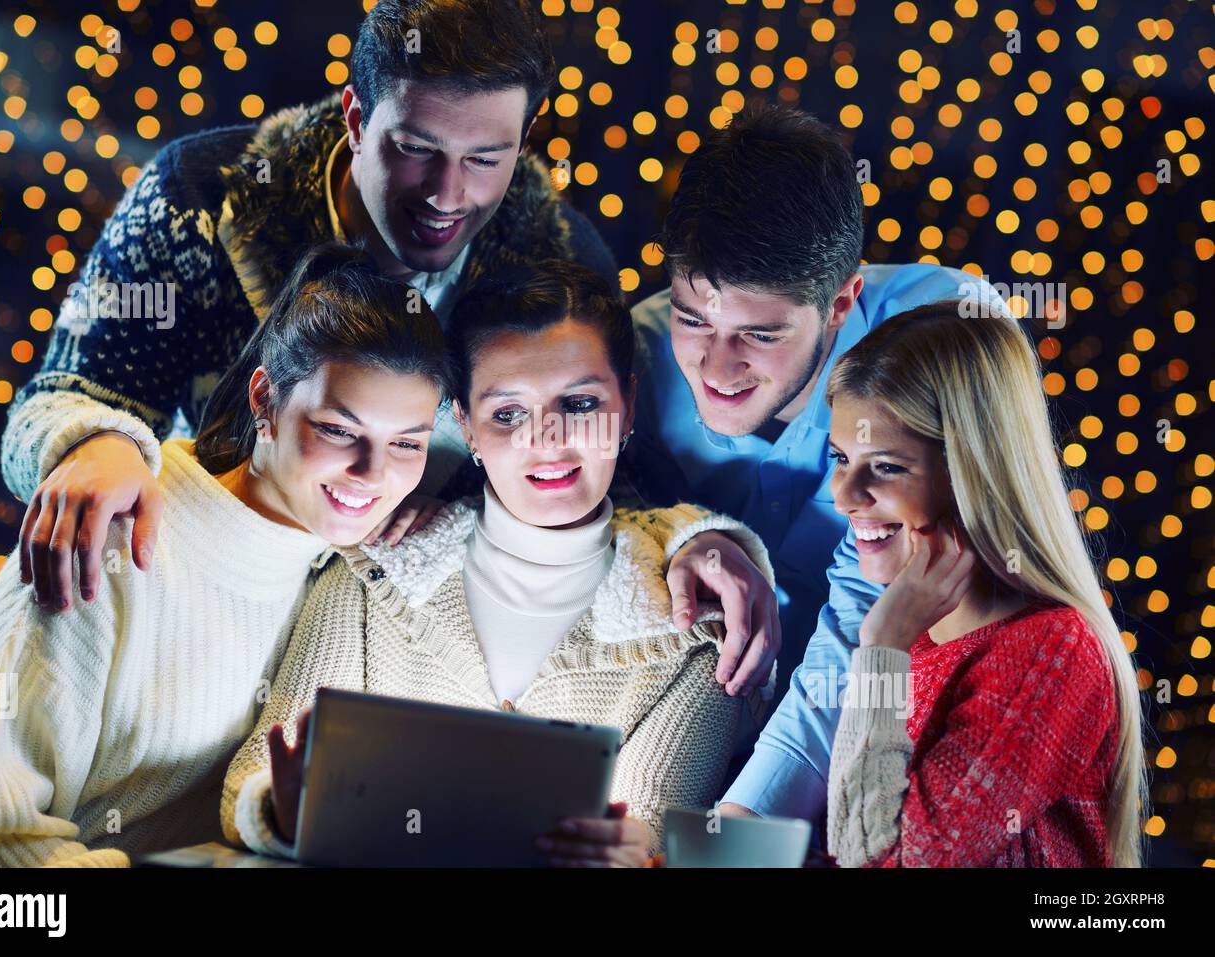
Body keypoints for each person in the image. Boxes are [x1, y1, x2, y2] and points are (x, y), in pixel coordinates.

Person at [6, 0, 617, 616]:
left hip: (401, 644)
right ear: (356, 117)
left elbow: (620, 483)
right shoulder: (195, 199)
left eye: (485, 159)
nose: (447, 194)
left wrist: (465, 520)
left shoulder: (562, 265)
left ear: (523, 142)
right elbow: (56, 403)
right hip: (191, 594)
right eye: (414, 148)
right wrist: (92, 442)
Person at [221, 262, 776, 866]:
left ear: (628, 406)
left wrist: (641, 853)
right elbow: (255, 774)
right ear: (464, 424)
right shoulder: (368, 574)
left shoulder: (697, 629)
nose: (548, 439)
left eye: (581, 402)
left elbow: (655, 829)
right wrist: (280, 810)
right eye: (507, 414)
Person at [0, 246, 451, 866]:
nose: (372, 474)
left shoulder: (348, 572)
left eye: (407, 443)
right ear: (265, 402)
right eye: (337, 429)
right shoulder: (113, 539)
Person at [623, 103, 1014, 822]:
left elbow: (866, 615)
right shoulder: (632, 356)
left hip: (904, 752)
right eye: (694, 319)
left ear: (840, 303)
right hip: (682, 732)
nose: (714, 366)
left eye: (760, 333)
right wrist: (679, 530)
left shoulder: (944, 333)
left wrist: (733, 836)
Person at [822, 303, 1145, 867]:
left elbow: (901, 864)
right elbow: (852, 846)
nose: (844, 495)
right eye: (841, 458)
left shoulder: (1051, 650)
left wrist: (881, 650)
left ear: (972, 474)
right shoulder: (914, 637)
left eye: (887, 466)